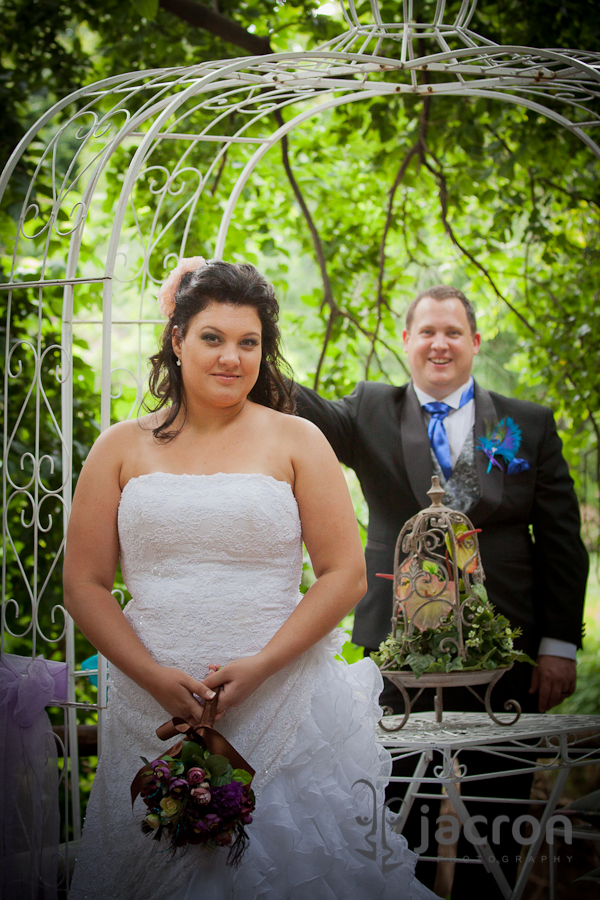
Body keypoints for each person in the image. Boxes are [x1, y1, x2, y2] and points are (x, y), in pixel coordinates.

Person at [63, 259, 437, 900]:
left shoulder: (300, 440)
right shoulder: (119, 447)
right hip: (149, 707)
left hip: (280, 697)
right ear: (177, 340)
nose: (231, 358)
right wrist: (151, 677)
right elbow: (84, 585)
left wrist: (261, 667)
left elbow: (344, 575)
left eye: (249, 342)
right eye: (212, 337)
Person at [294, 284, 588, 896]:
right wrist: (246, 330)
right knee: (401, 815)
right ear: (406, 340)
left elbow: (562, 540)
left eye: (453, 332)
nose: (439, 343)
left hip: (507, 654)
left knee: (498, 815)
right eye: (427, 331)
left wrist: (559, 645)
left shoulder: (527, 423)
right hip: (395, 651)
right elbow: (300, 407)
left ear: (474, 342)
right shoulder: (369, 409)